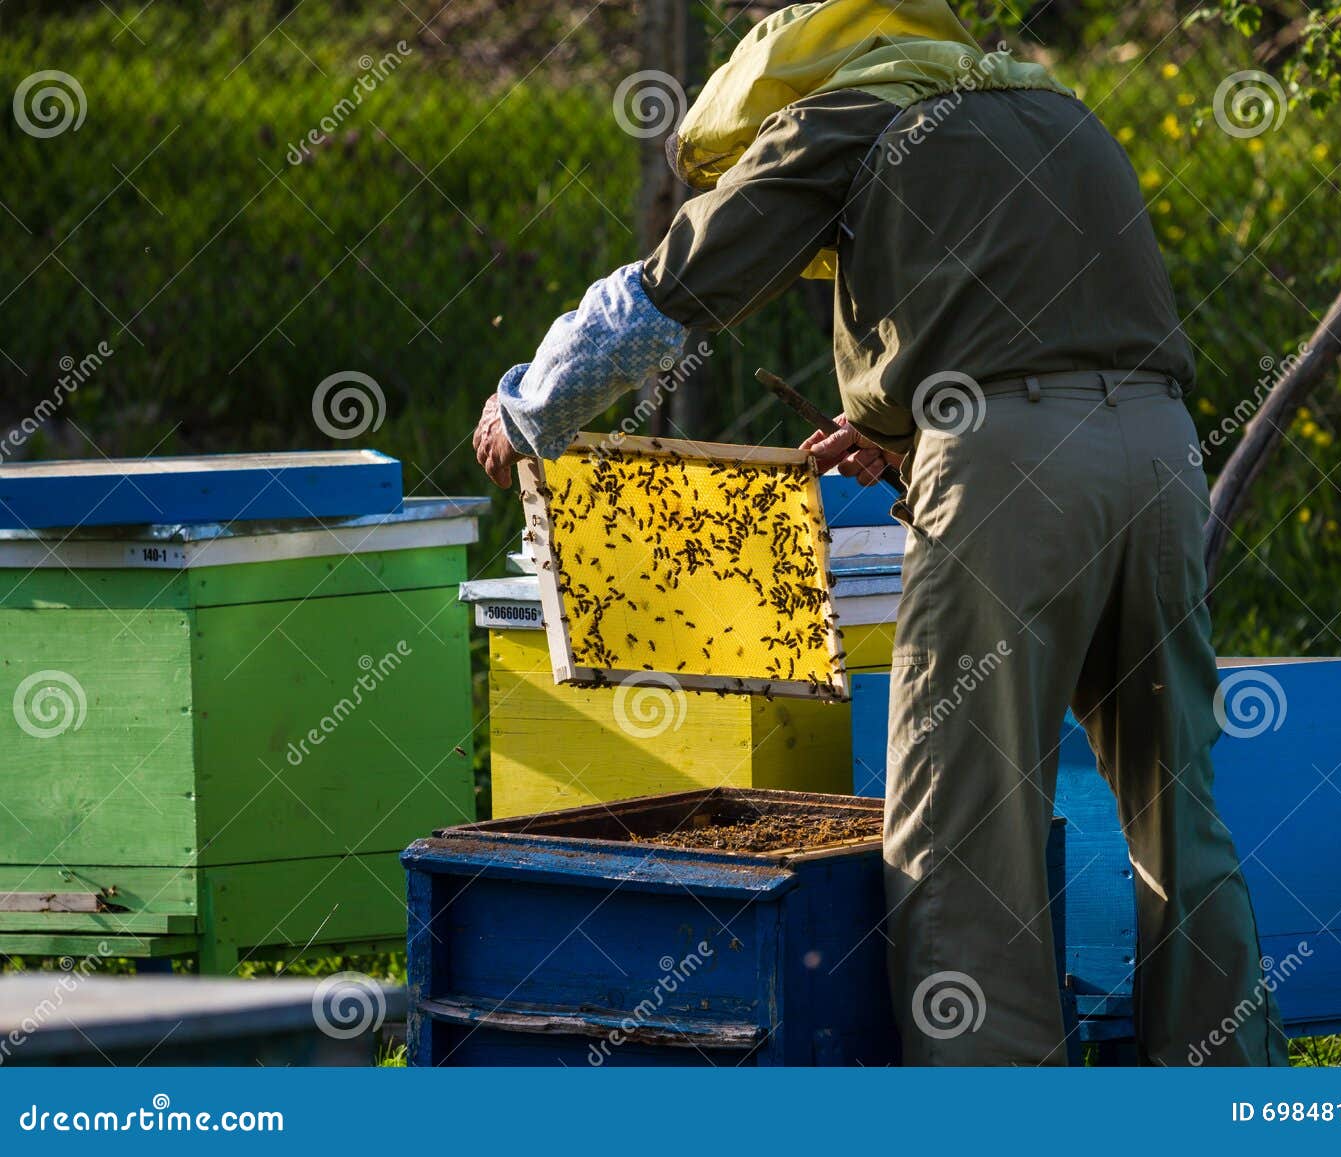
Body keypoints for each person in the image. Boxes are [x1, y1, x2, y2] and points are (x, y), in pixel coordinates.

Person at [473, 0, 1285, 1067]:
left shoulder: (845, 117)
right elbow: (1034, 309)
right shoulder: (1049, 106)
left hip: (1011, 474)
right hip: (1161, 453)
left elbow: (676, 284)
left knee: (963, 826)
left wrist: (532, 405)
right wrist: (902, 422)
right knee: (1178, 808)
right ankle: (1227, 1085)